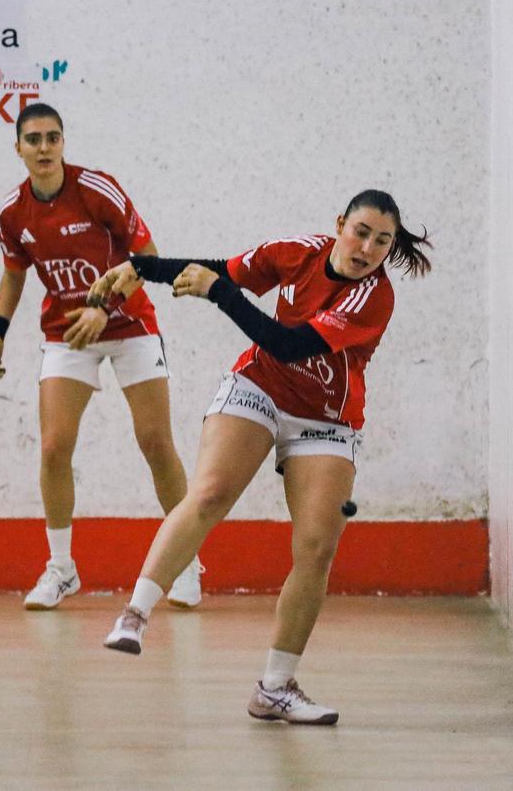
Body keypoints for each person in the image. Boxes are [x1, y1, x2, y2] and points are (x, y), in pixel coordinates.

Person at [93, 190, 431, 725]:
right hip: (259, 389)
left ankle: (275, 687)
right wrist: (140, 267)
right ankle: (134, 615)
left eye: (382, 241)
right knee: (209, 492)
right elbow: (222, 270)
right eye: (361, 231)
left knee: (317, 547)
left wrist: (220, 296)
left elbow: (290, 344)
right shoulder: (297, 251)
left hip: (326, 420)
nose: (367, 247)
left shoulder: (374, 297)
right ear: (339, 224)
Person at [0, 102, 203, 610]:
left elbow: (150, 260)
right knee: (55, 446)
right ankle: (61, 569)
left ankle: (186, 562)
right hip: (66, 333)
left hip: (130, 323)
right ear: (18, 148)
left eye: (52, 138)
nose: (43, 147)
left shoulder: (97, 189)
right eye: (32, 139)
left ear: (63, 143)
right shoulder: (12, 215)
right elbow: (14, 273)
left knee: (155, 442)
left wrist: (106, 305)